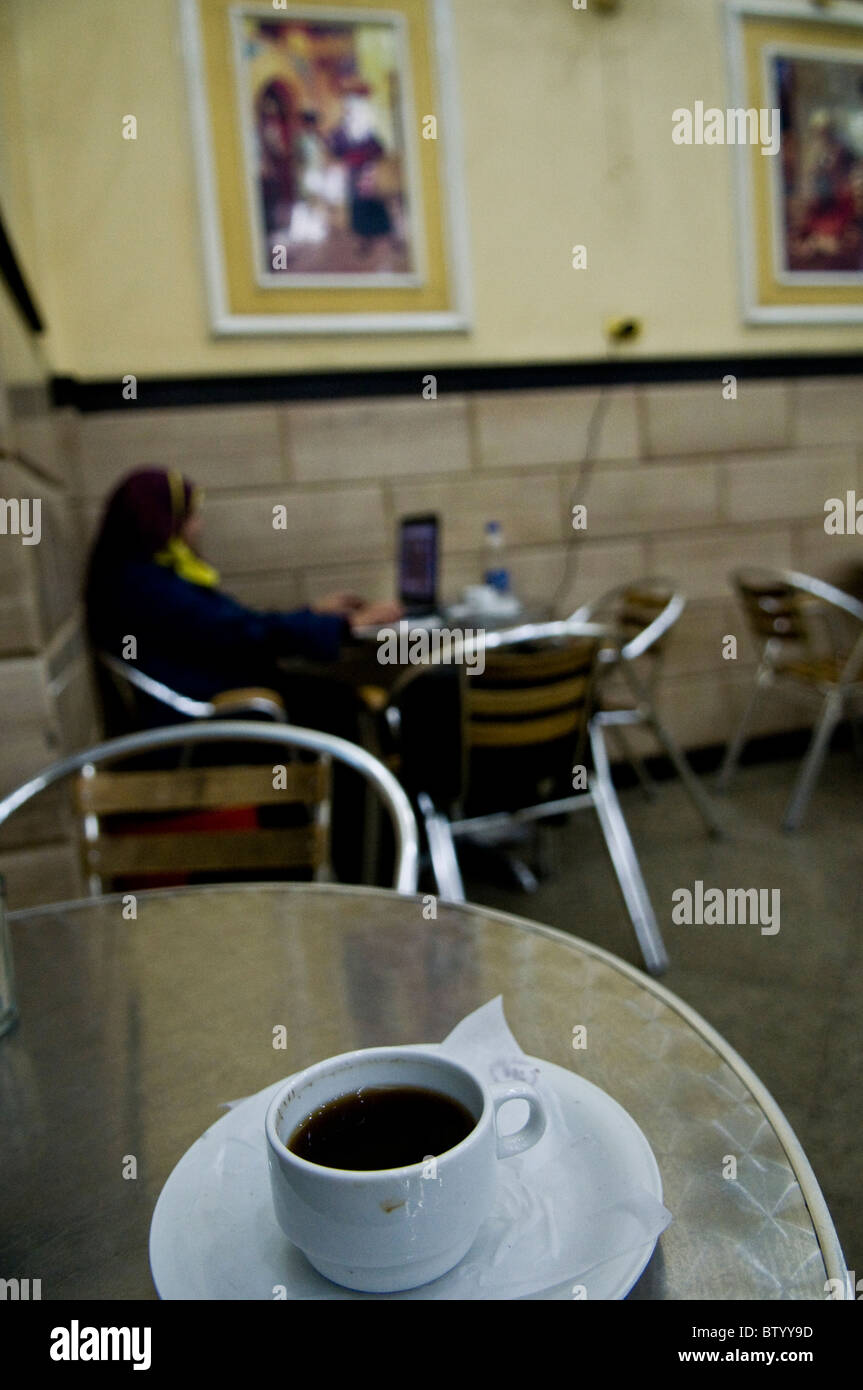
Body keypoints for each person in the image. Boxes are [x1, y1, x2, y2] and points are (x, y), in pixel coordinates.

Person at [85, 468, 401, 703]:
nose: (199, 527)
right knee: (339, 701)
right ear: (162, 520)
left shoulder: (137, 577)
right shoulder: (147, 587)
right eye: (192, 516)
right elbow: (243, 633)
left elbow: (236, 625)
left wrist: (315, 613)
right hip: (219, 715)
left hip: (214, 698)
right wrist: (345, 625)